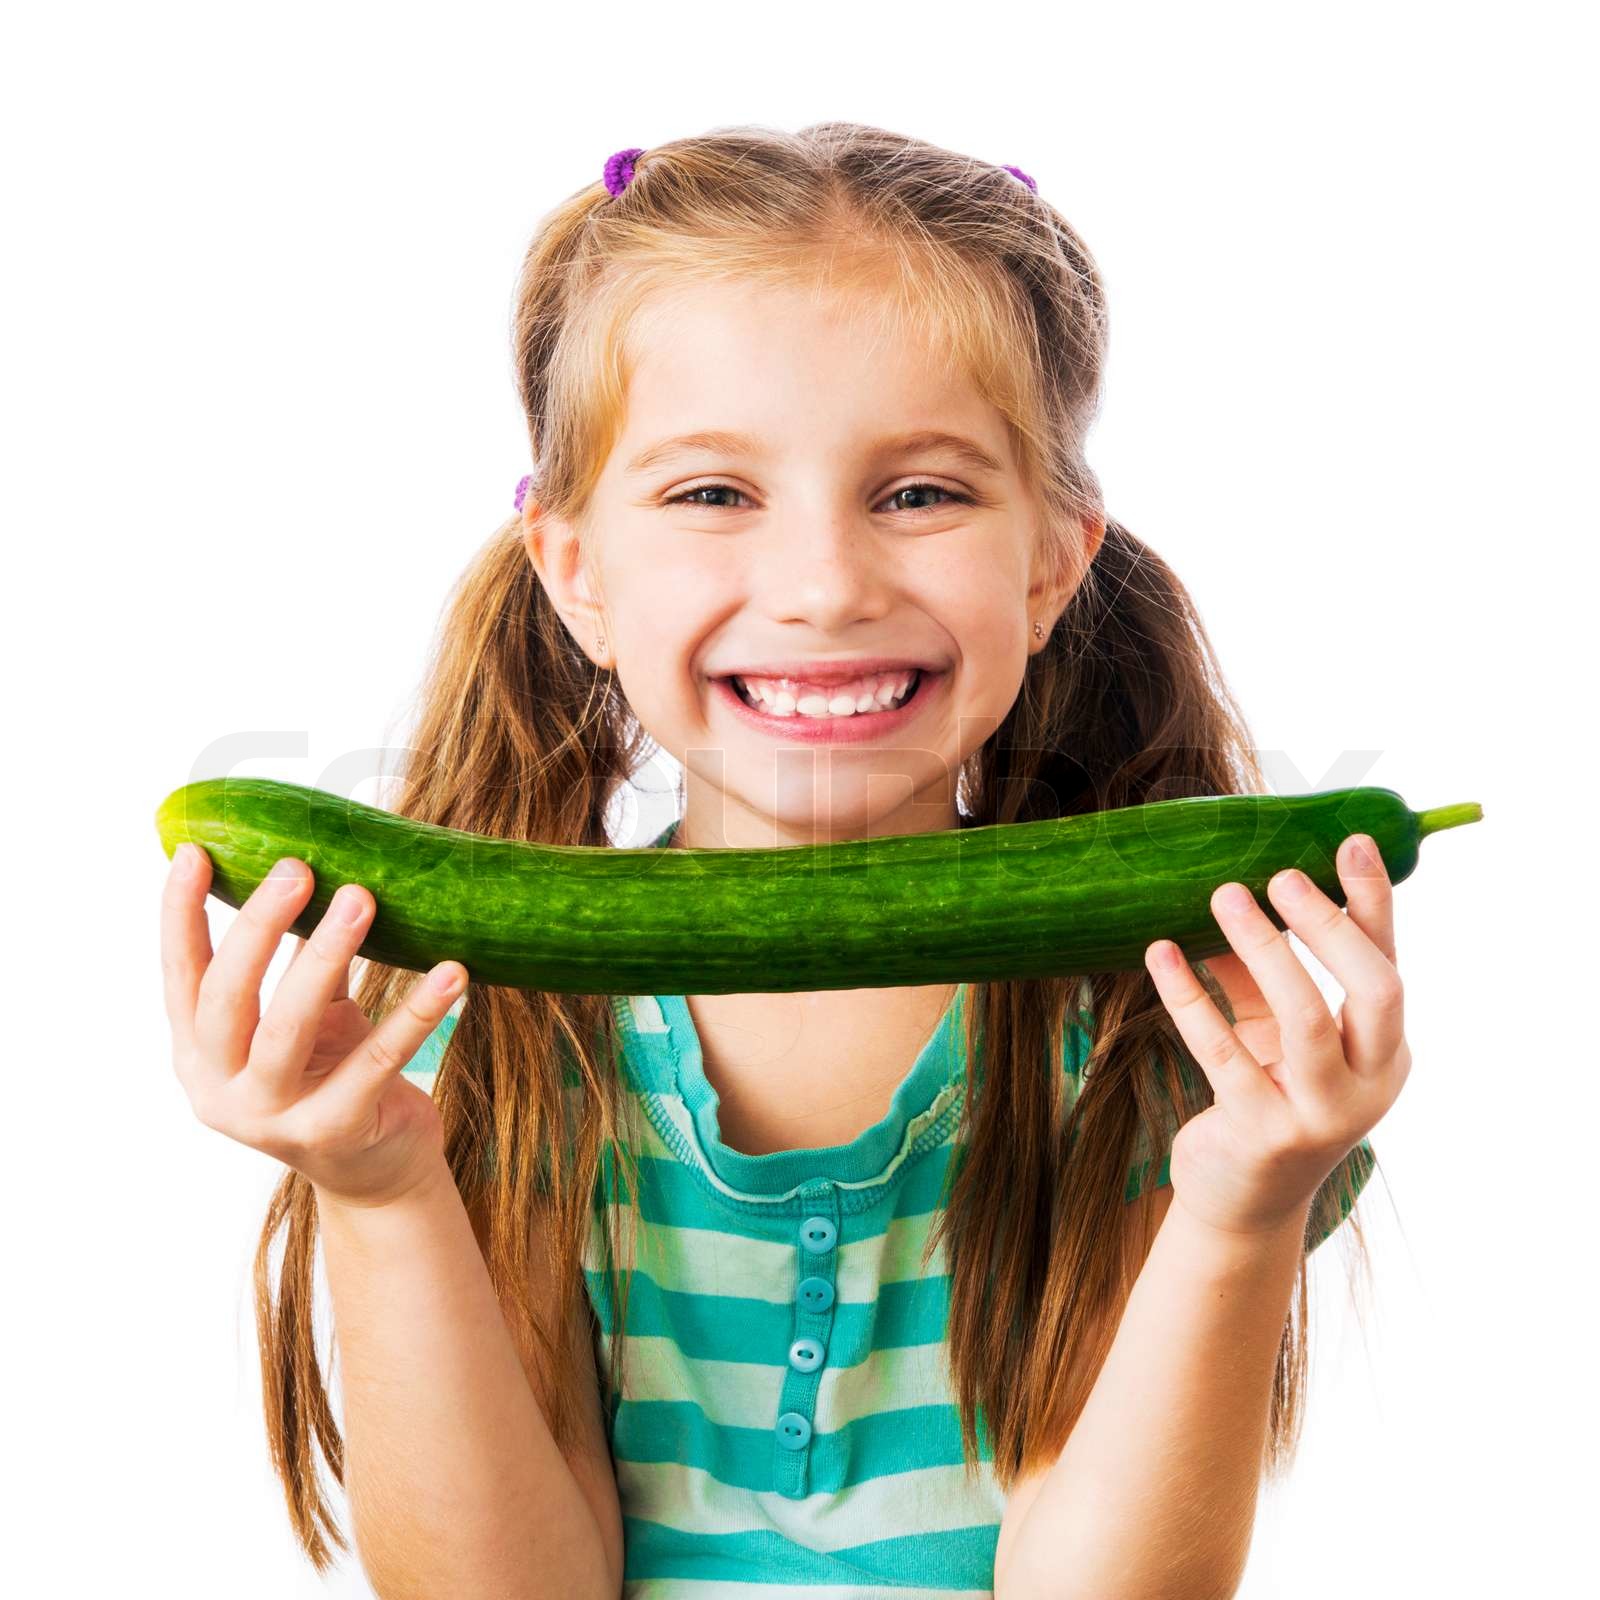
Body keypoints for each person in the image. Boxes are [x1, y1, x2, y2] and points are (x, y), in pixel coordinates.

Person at [160, 122, 1400, 1598]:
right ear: (576, 575)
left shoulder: (1153, 1038)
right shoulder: (486, 1039)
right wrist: (379, 1196)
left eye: (921, 492)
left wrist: (1242, 1207)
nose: (823, 586)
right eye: (711, 495)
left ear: (1053, 561)